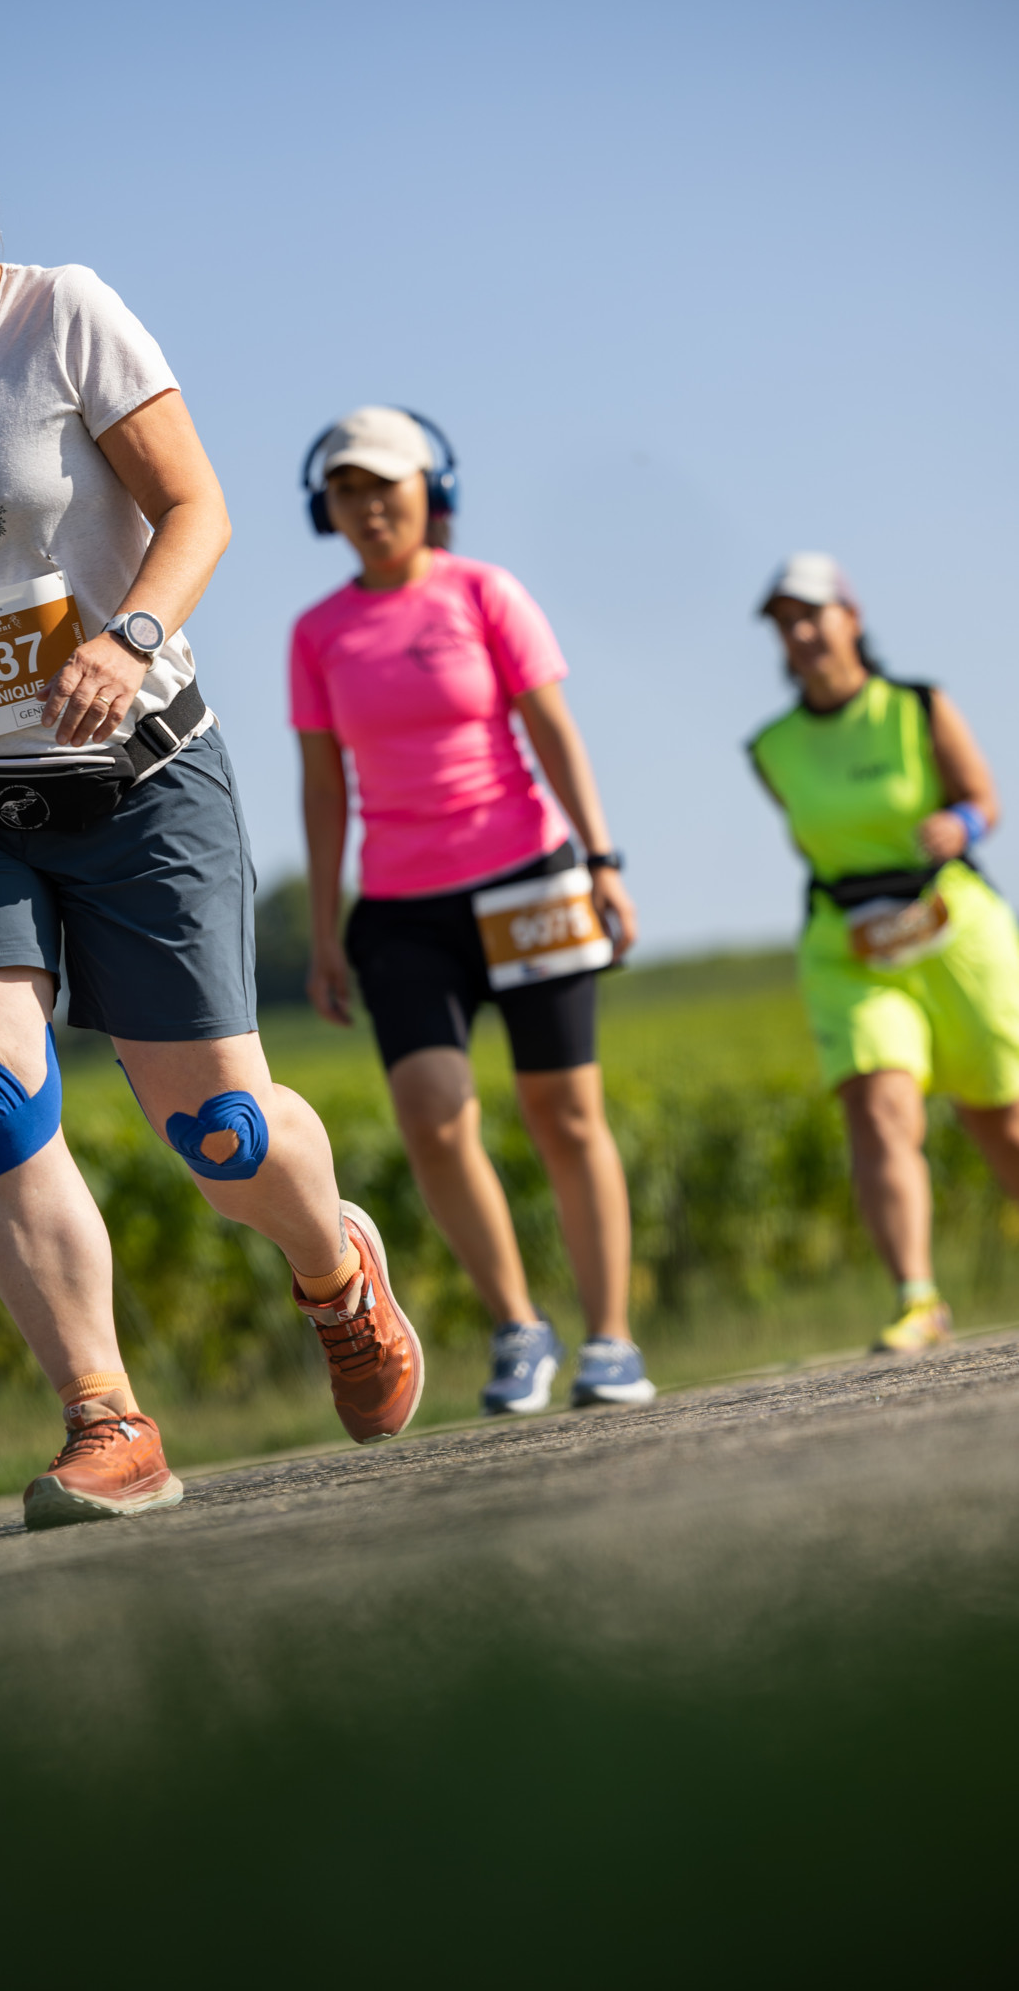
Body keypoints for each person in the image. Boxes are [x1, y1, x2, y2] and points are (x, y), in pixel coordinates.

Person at [0, 65, 422, 1530]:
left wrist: (129, 640)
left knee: (221, 1134)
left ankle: (334, 1269)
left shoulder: (65, 314)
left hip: (139, 779)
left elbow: (198, 506)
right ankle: (106, 1418)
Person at [290, 406, 655, 1413]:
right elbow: (322, 787)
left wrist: (603, 860)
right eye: (347, 491)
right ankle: (517, 1326)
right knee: (433, 1117)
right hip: (403, 909)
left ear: (431, 492)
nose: (367, 507)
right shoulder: (316, 633)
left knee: (565, 1114)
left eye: (384, 486)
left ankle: (612, 1339)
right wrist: (322, 930)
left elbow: (552, 729)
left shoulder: (485, 591)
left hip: (529, 880)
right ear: (326, 509)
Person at [748, 553, 1019, 1352]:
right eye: (784, 622)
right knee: (877, 1107)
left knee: (999, 1117)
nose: (800, 634)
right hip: (850, 944)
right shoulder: (771, 748)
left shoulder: (915, 705)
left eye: (811, 615)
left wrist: (958, 826)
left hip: (948, 925)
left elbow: (982, 800)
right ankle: (916, 1297)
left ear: (850, 617)